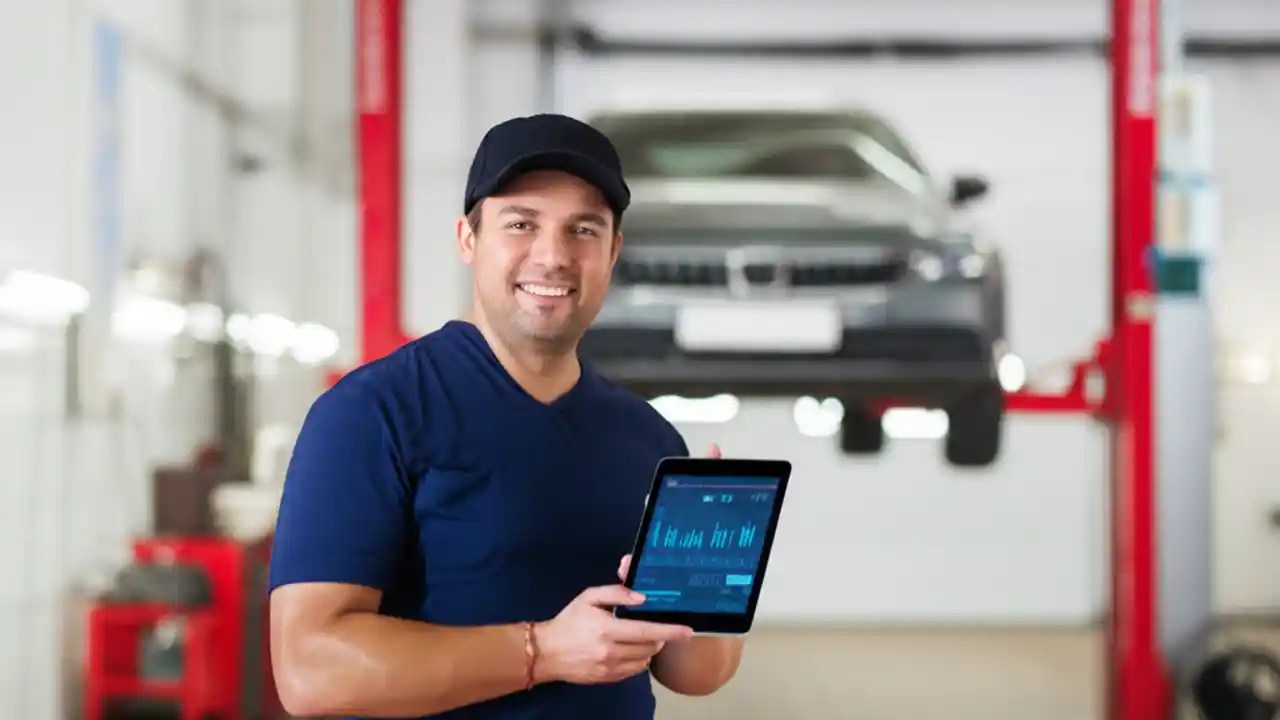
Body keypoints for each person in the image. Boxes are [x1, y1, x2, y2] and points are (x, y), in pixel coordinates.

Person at [267, 113, 745, 719]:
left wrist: (710, 582)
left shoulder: (647, 437)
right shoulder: (372, 413)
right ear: (468, 239)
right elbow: (310, 671)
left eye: (584, 230)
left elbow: (697, 673)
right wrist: (542, 651)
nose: (553, 255)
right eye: (521, 224)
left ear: (613, 252)